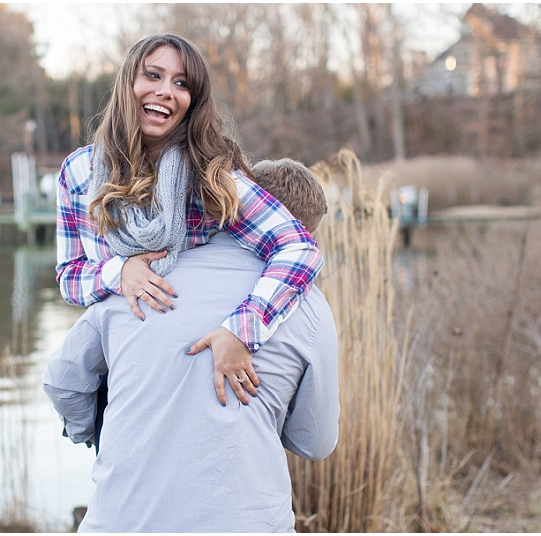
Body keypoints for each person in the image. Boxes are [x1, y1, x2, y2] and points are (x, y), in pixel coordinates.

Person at [43, 158, 339, 532]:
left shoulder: (137, 278)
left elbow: (62, 381)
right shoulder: (309, 306)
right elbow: (315, 442)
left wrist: (97, 430)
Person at [54, 34, 323, 406]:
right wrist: (120, 272)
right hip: (119, 376)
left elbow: (300, 249)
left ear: (192, 102)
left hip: (190, 375)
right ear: (128, 83)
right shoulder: (78, 172)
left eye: (181, 84)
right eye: (153, 75)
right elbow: (69, 278)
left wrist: (242, 332)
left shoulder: (210, 176)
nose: (166, 91)